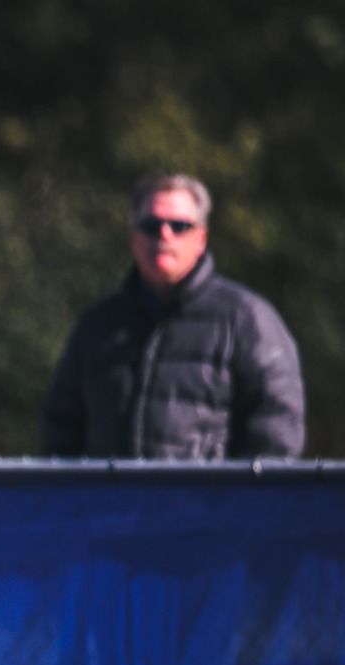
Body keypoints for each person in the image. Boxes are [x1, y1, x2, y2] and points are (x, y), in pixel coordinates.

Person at [43, 173, 305, 460]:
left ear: (201, 238)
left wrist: (231, 501)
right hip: (113, 505)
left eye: (179, 226)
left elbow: (276, 433)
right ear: (134, 238)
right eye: (151, 226)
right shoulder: (98, 326)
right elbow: (61, 433)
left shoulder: (247, 320)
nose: (164, 235)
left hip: (209, 505)